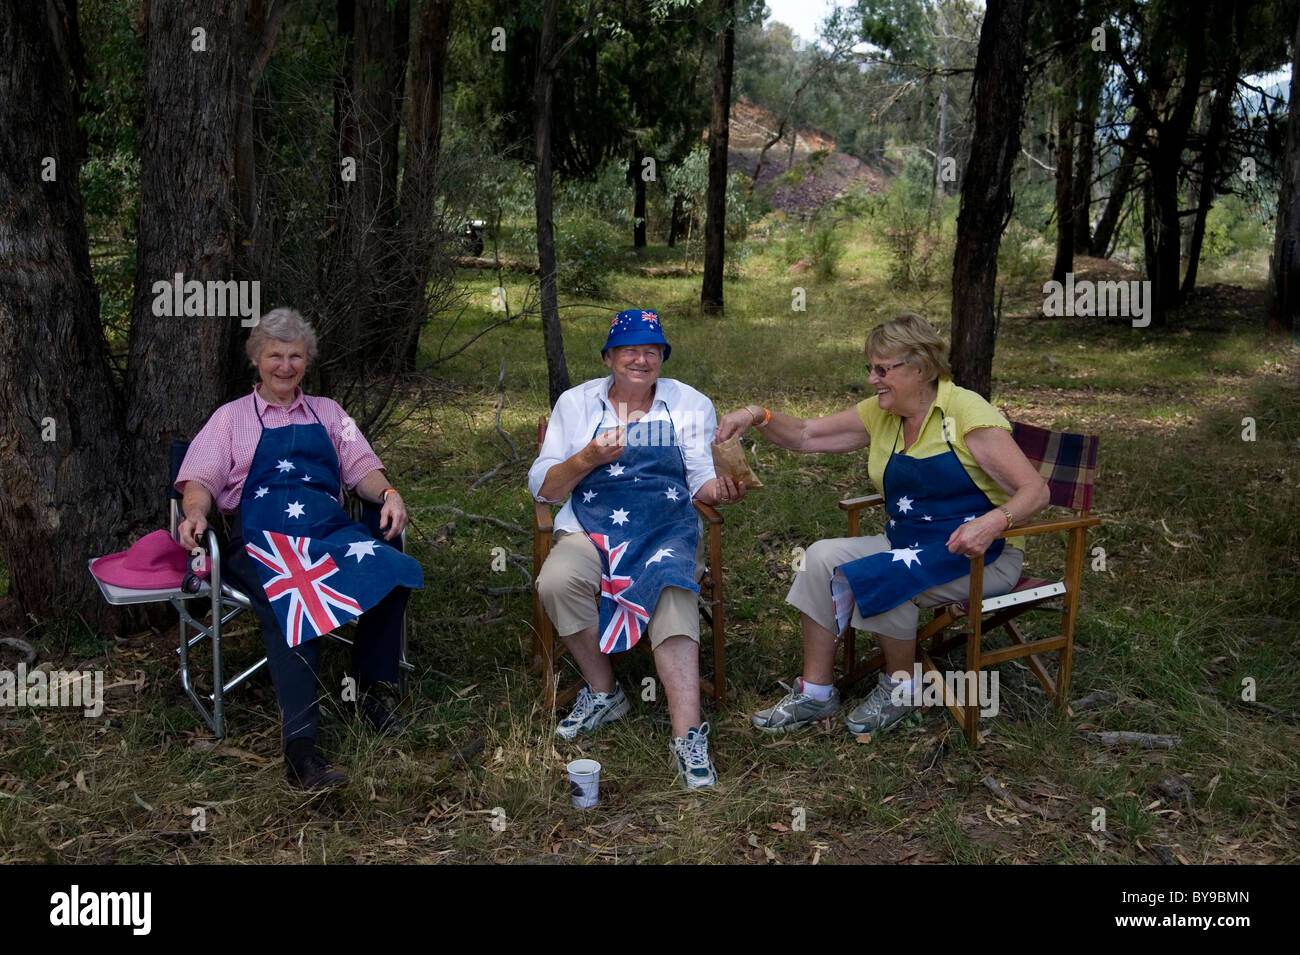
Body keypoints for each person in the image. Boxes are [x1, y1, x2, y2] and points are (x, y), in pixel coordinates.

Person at [715, 313, 1049, 737]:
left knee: (886, 574)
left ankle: (902, 689)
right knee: (819, 557)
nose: (872, 380)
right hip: (908, 544)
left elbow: (1035, 492)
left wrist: (992, 522)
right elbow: (805, 435)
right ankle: (816, 692)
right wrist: (757, 414)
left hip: (982, 556)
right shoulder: (883, 413)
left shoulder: (966, 412)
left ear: (920, 369)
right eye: (870, 368)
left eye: (882, 369)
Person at [176, 307, 423, 791]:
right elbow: (200, 479)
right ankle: (301, 750)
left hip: (329, 531)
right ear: (256, 359)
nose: (285, 367)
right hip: (263, 542)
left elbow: (362, 469)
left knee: (392, 570)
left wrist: (389, 494)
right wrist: (196, 511)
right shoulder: (229, 419)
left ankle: (364, 690)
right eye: (275, 356)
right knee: (293, 599)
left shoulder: (330, 414)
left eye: (295, 356)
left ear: (307, 361)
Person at [529, 309, 745, 789]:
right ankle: (604, 691)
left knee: (671, 585)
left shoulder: (688, 403)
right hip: (591, 525)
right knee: (558, 580)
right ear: (609, 356)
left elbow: (699, 479)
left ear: (662, 358)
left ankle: (688, 737)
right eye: (630, 350)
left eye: (653, 351)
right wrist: (588, 457)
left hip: (665, 527)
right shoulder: (576, 403)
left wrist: (721, 489)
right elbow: (544, 488)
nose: (642, 360)